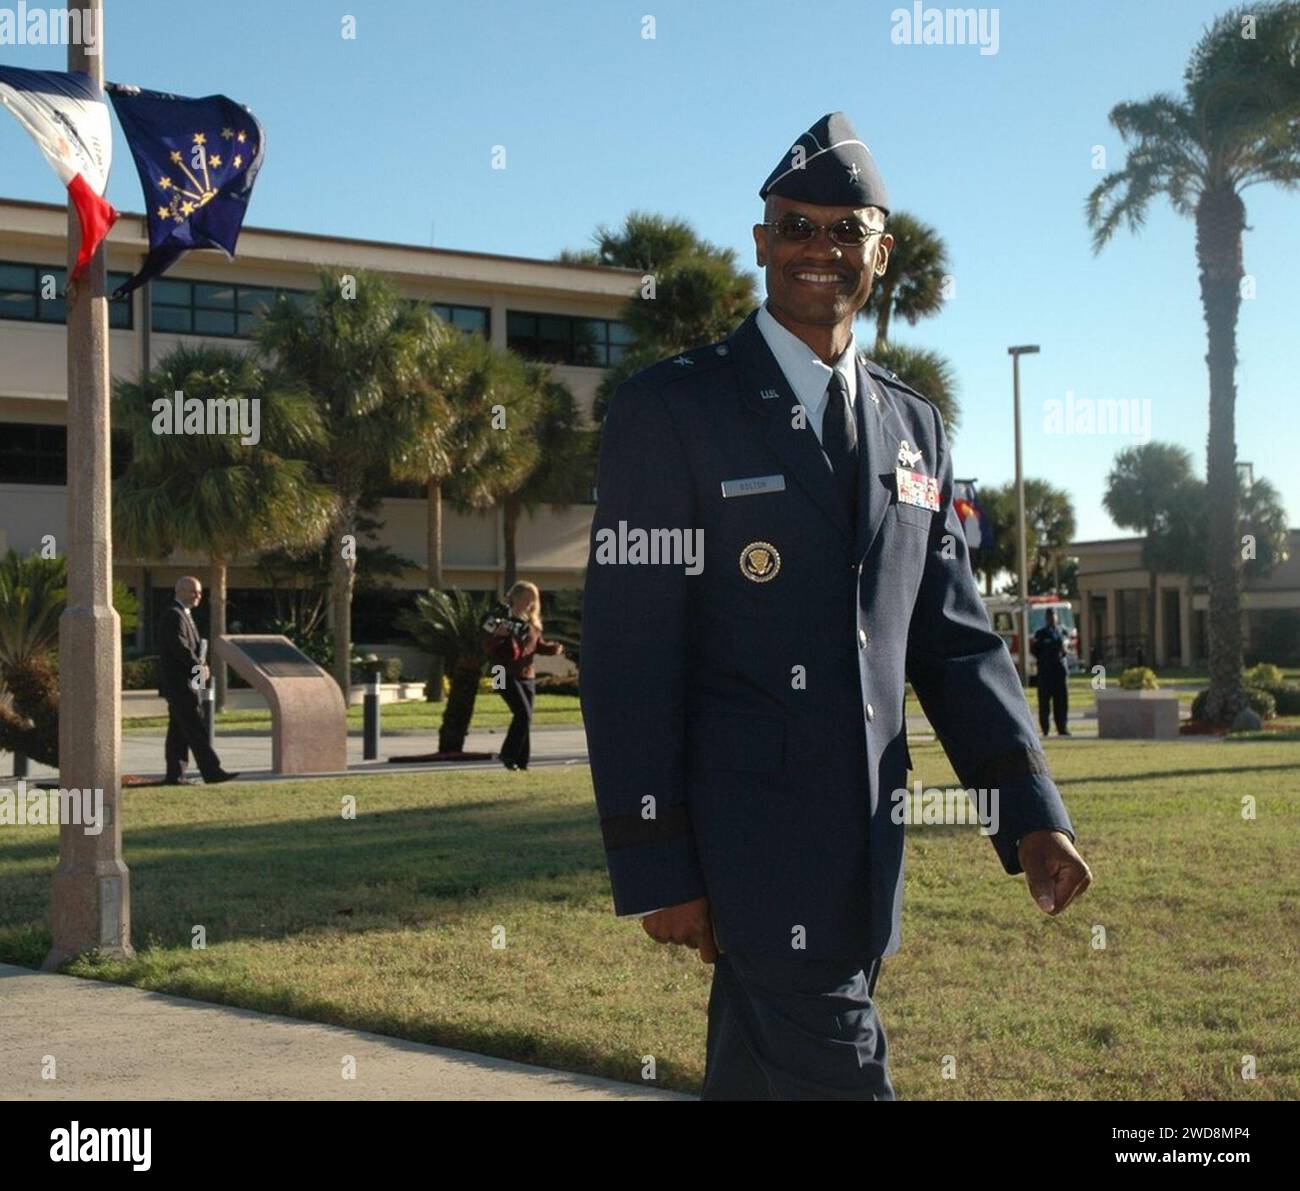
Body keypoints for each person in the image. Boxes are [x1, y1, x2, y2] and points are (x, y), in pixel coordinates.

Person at [580, 112, 1092, 1100]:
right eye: (796, 225)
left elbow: (948, 640)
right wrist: (656, 862)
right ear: (761, 241)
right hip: (745, 849)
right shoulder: (674, 409)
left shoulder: (914, 427)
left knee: (761, 1079)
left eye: (843, 229)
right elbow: (628, 654)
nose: (819, 249)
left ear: (879, 253)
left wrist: (1026, 808)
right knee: (840, 1075)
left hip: (867, 844)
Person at [156, 576, 238, 785]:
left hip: (186, 683)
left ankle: (175, 775)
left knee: (178, 730)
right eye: (193, 592)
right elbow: (180, 648)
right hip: (179, 684)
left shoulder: (185, 615)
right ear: (180, 591)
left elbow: (191, 650)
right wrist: (199, 669)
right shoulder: (173, 615)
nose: (198, 596)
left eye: (200, 593)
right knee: (195, 727)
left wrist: (200, 672)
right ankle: (212, 772)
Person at [481, 580, 563, 771]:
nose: (530, 603)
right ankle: (508, 755)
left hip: (527, 675)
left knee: (525, 716)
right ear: (515, 598)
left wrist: (553, 649)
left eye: (533, 599)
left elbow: (537, 646)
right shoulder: (497, 618)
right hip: (500, 672)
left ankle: (522, 760)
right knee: (523, 714)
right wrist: (499, 635)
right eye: (526, 598)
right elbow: (486, 645)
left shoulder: (531, 624)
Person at [1031, 607, 1072, 737]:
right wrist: (1044, 659)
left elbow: (1067, 648)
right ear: (1046, 618)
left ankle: (1062, 727)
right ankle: (1045, 729)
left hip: (1060, 671)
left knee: (1061, 702)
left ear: (1057, 617)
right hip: (1045, 672)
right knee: (1044, 703)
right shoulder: (1040, 634)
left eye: (1053, 615)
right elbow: (1035, 651)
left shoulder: (1063, 631)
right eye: (1049, 616)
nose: (1051, 618)